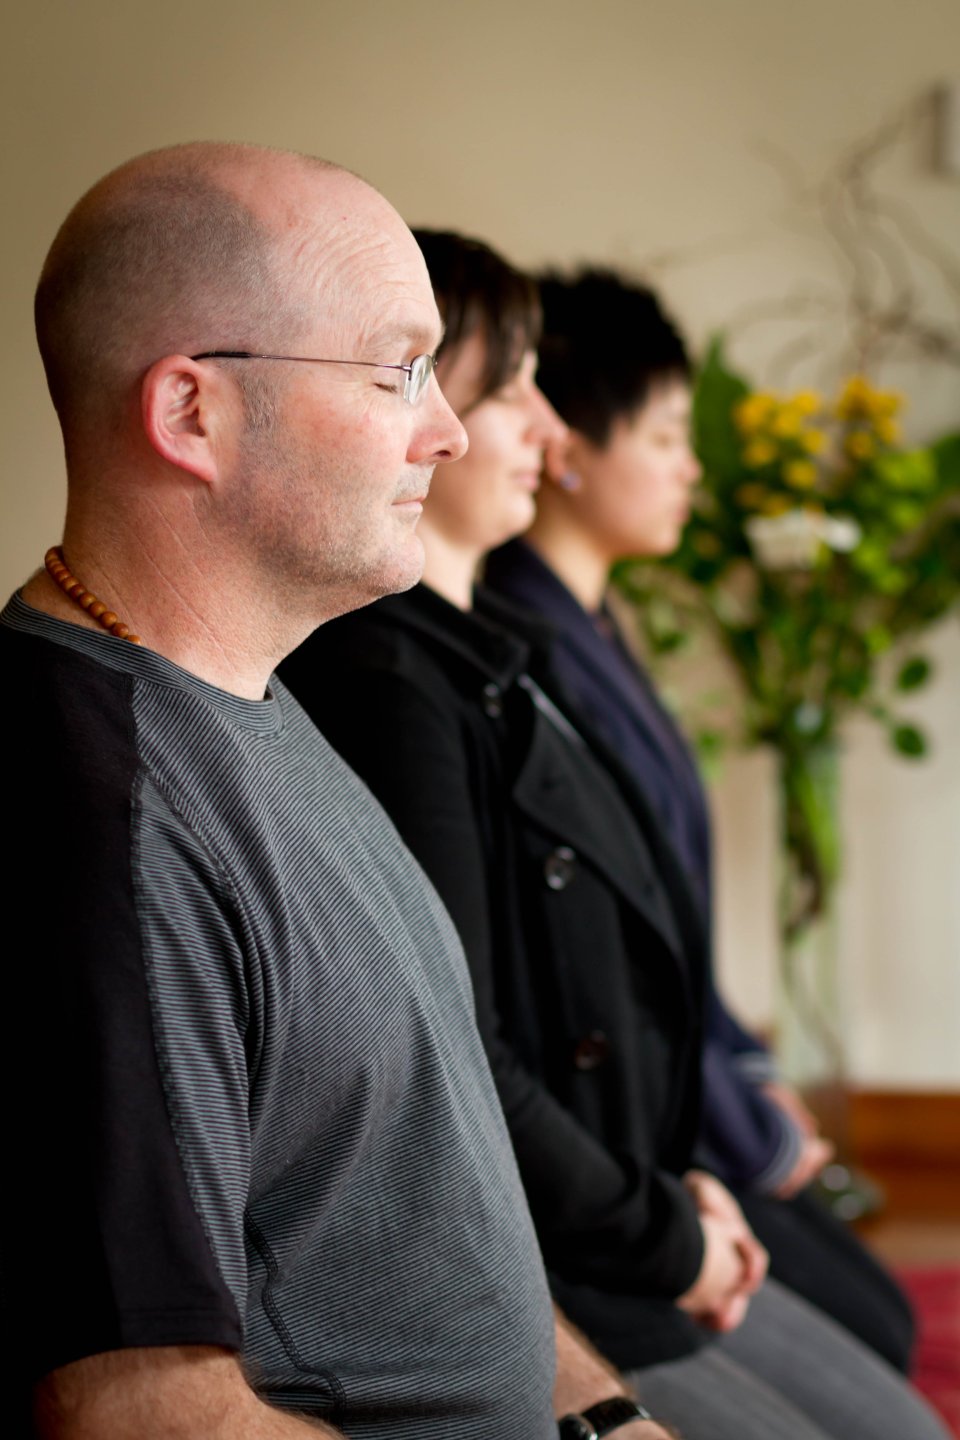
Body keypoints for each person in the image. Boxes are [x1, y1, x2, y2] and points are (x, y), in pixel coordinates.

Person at [4, 147, 662, 1440]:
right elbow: (146, 1417)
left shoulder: (252, 695)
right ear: (192, 413)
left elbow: (422, 1197)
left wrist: (598, 1416)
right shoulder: (96, 809)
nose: (450, 429)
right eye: (392, 371)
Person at [280, 231, 949, 1440]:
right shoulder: (393, 678)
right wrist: (667, 1220)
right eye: (501, 386)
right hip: (557, 1238)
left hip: (620, 1187)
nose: (541, 428)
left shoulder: (491, 659)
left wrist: (692, 1166)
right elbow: (467, 1049)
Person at [484, 266, 916, 1375]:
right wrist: (748, 1126)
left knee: (879, 1314)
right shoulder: (528, 650)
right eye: (669, 436)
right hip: (640, 1141)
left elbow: (670, 918)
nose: (692, 466)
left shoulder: (594, 626)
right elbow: (610, 971)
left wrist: (753, 1075)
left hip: (700, 1094)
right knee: (877, 1325)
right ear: (570, 446)